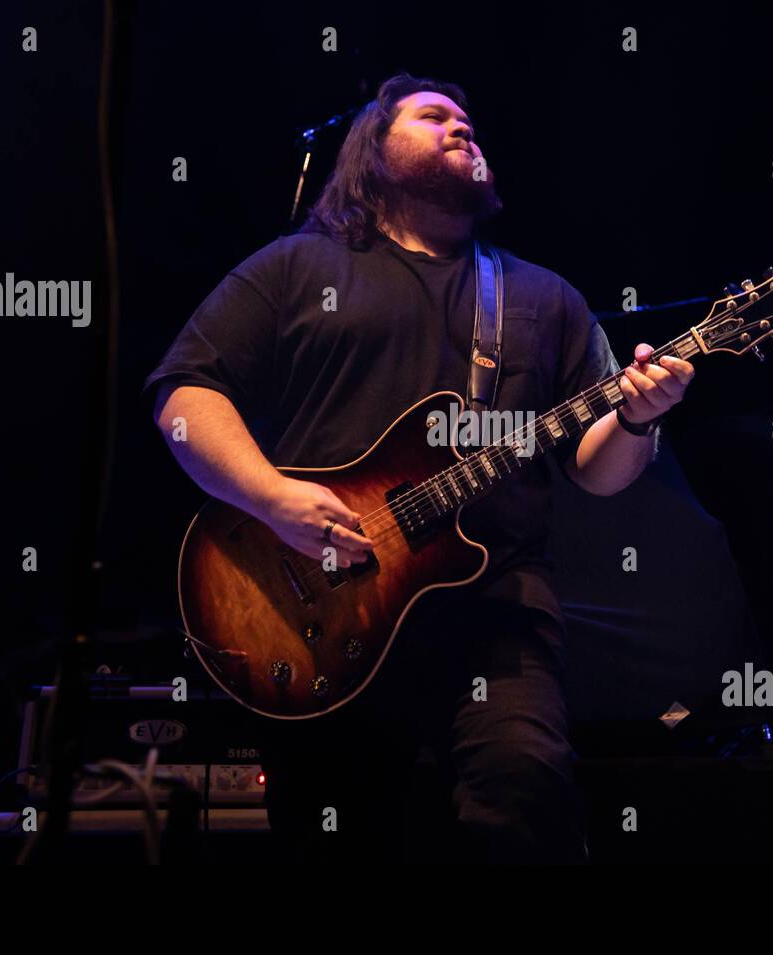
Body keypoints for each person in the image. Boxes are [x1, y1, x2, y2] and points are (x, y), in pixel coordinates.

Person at [144, 72, 694, 863]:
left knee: (525, 795)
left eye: (470, 122)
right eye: (435, 116)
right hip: (316, 619)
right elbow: (184, 397)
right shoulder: (296, 269)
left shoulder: (542, 298)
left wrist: (638, 416)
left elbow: (598, 471)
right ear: (372, 150)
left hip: (494, 615)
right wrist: (271, 498)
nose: (461, 128)